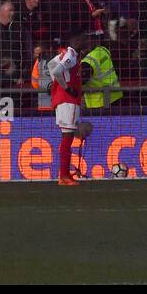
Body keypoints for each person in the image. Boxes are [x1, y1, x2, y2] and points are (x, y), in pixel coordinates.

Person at [47, 38, 88, 186]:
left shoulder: (64, 54)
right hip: (68, 100)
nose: (88, 42)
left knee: (67, 137)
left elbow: (51, 65)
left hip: (63, 100)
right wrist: (66, 87)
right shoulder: (71, 55)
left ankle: (64, 175)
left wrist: (54, 82)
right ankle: (64, 175)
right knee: (67, 138)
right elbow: (57, 70)